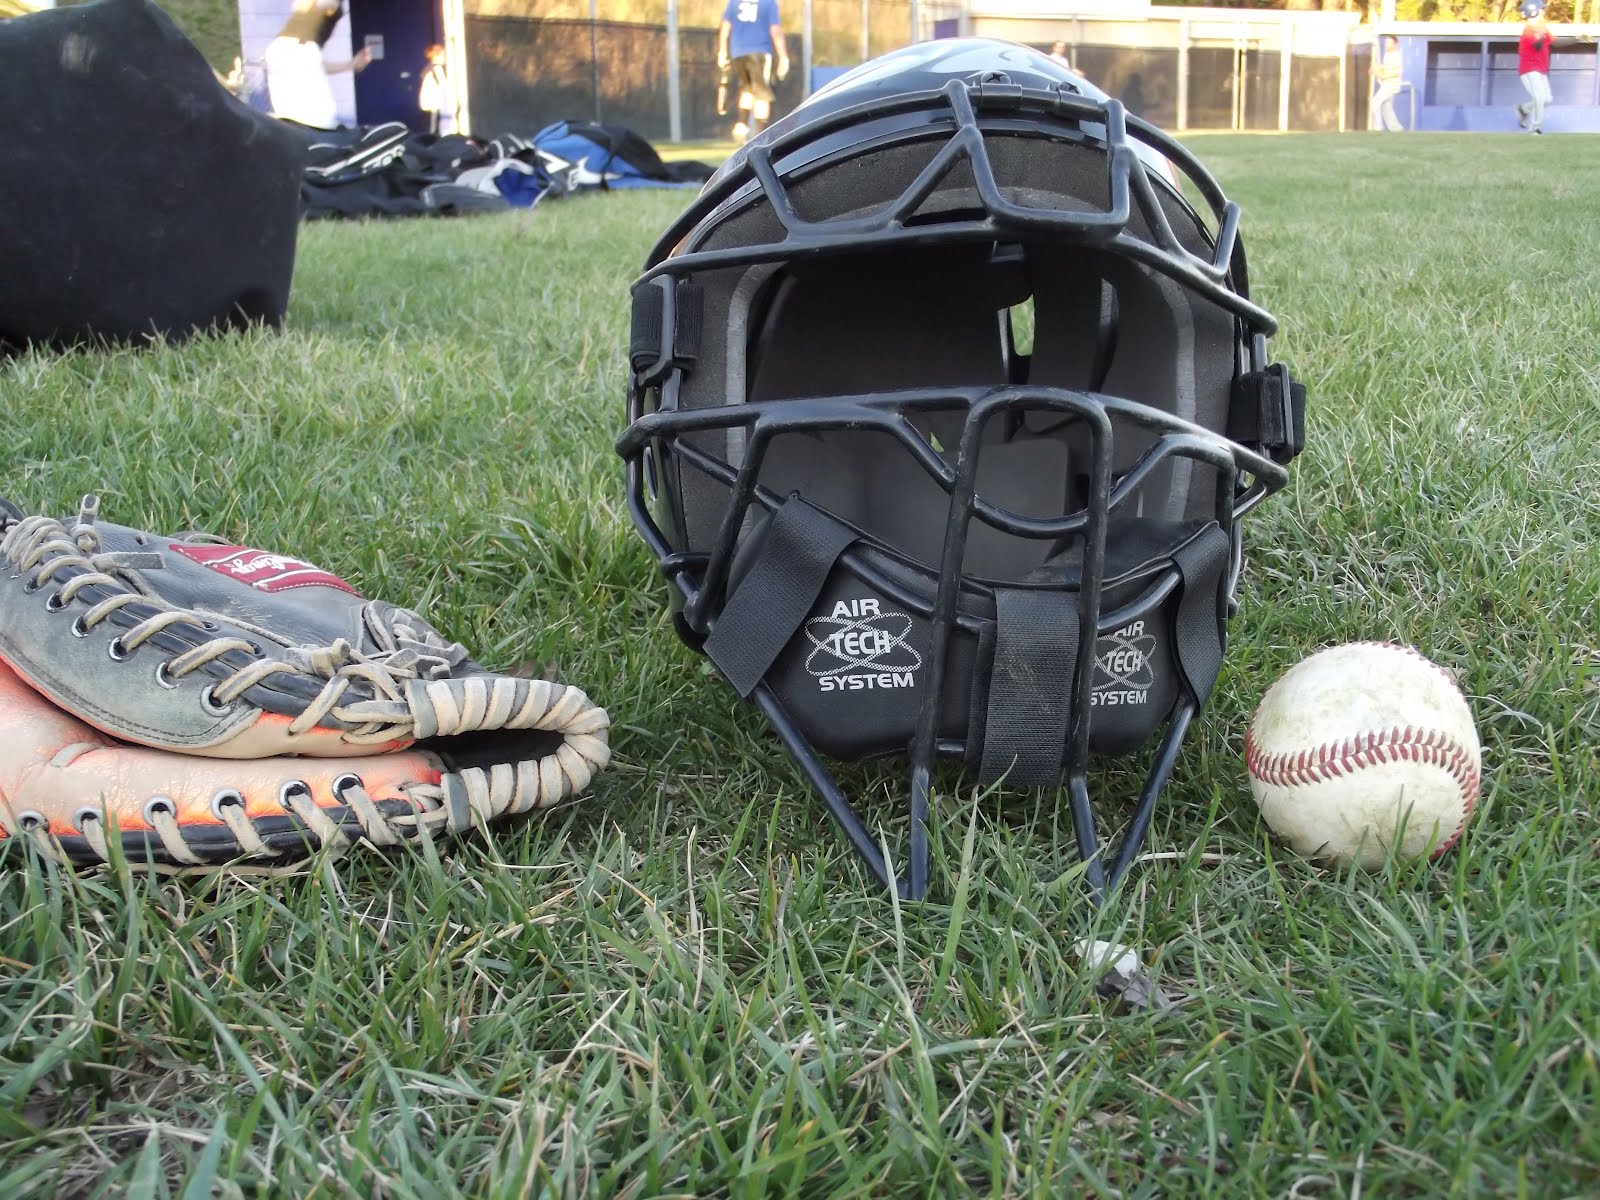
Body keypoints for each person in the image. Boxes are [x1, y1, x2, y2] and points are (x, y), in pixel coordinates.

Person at [263, 0, 370, 130]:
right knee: (322, 116)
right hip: (296, 49)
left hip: (283, 51)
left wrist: (350, 65)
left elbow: (315, 65)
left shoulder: (305, 53)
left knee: (293, 118)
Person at [717, 0, 789, 143]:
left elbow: (725, 28)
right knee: (762, 94)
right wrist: (783, 56)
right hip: (759, 52)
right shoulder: (768, 3)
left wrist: (722, 51)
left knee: (747, 90)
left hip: (738, 53)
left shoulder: (734, 2)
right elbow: (775, 30)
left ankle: (741, 125)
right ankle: (761, 137)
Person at [418, 42, 457, 136]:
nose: (445, 57)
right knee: (434, 132)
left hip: (427, 106)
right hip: (434, 106)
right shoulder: (437, 69)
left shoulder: (428, 68)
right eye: (443, 54)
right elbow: (445, 87)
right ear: (437, 55)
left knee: (431, 131)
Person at [1371, 35, 1404, 132]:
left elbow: (1396, 71)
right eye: (1386, 42)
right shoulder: (1387, 55)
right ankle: (1396, 128)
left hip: (1391, 85)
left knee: (1375, 102)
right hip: (1386, 84)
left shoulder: (1396, 55)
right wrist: (1377, 69)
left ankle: (1378, 127)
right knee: (1386, 108)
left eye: (1388, 42)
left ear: (1394, 44)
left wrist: (1380, 74)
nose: (1386, 44)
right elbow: (1384, 68)